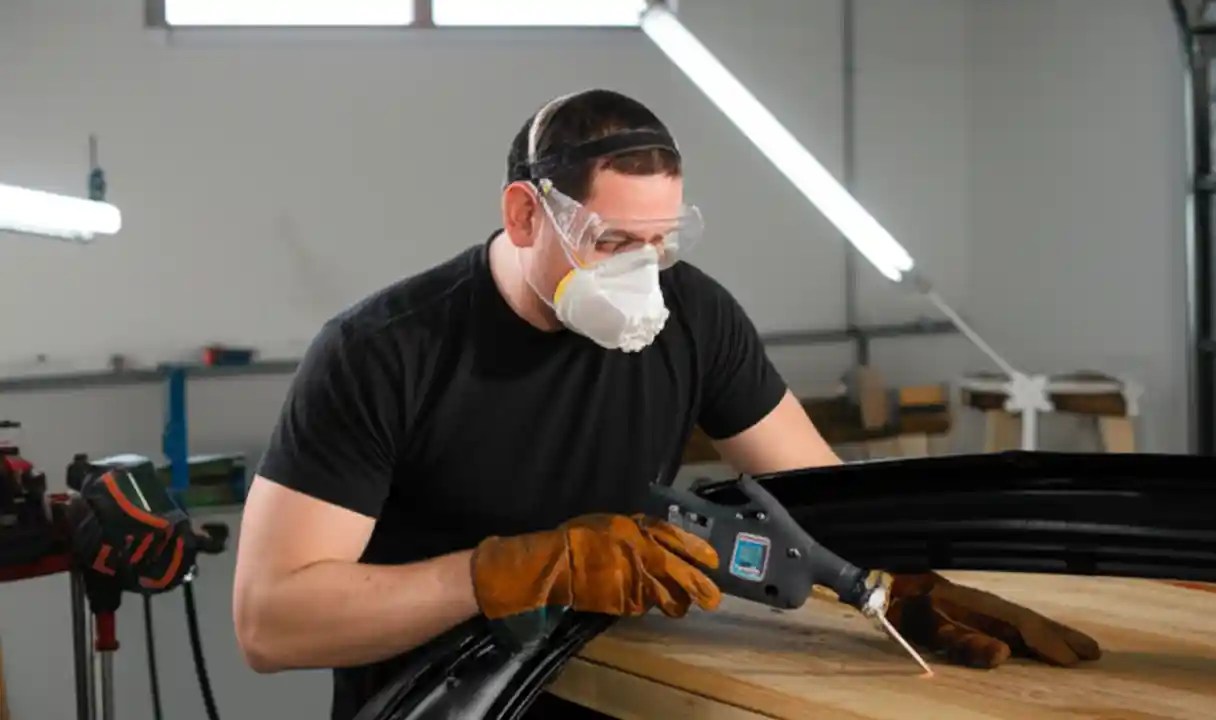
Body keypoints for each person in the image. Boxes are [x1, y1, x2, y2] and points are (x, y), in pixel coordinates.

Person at [232, 88, 1100, 720]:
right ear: (526, 214)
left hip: (621, 696)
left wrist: (896, 579)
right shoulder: (383, 351)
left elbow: (821, 500)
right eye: (611, 242)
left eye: (662, 241)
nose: (641, 275)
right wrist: (509, 571)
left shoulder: (694, 313)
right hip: (437, 704)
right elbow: (272, 626)